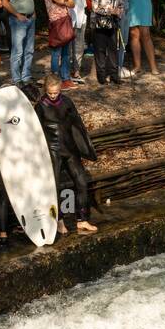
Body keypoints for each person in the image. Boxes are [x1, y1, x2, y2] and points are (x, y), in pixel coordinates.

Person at [35, 73, 98, 235]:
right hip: (53, 150)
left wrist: (86, 147)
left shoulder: (67, 102)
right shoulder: (40, 106)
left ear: (60, 89)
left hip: (70, 149)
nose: (53, 96)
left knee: (82, 182)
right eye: (50, 93)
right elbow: (35, 132)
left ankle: (82, 220)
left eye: (56, 92)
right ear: (45, 90)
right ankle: (59, 221)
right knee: (53, 187)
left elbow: (78, 124)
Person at [1, 0, 41, 87]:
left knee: (29, 50)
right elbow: (4, 2)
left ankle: (26, 76)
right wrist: (17, 14)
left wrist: (33, 10)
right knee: (18, 51)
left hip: (30, 18)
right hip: (18, 20)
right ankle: (17, 79)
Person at [88, 0, 126, 85]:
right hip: (100, 23)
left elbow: (121, 4)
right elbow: (94, 7)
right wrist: (110, 11)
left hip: (114, 23)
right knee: (100, 50)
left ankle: (114, 75)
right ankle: (101, 76)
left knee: (113, 50)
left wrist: (118, 11)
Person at [41, 0, 76, 88]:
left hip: (66, 20)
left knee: (66, 52)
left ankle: (66, 78)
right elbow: (61, 0)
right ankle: (55, 79)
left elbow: (72, 3)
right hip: (56, 23)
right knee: (56, 52)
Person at [66, 0, 88, 84]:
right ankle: (67, 72)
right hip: (70, 21)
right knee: (69, 49)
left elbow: (83, 6)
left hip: (81, 21)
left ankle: (76, 72)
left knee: (79, 49)